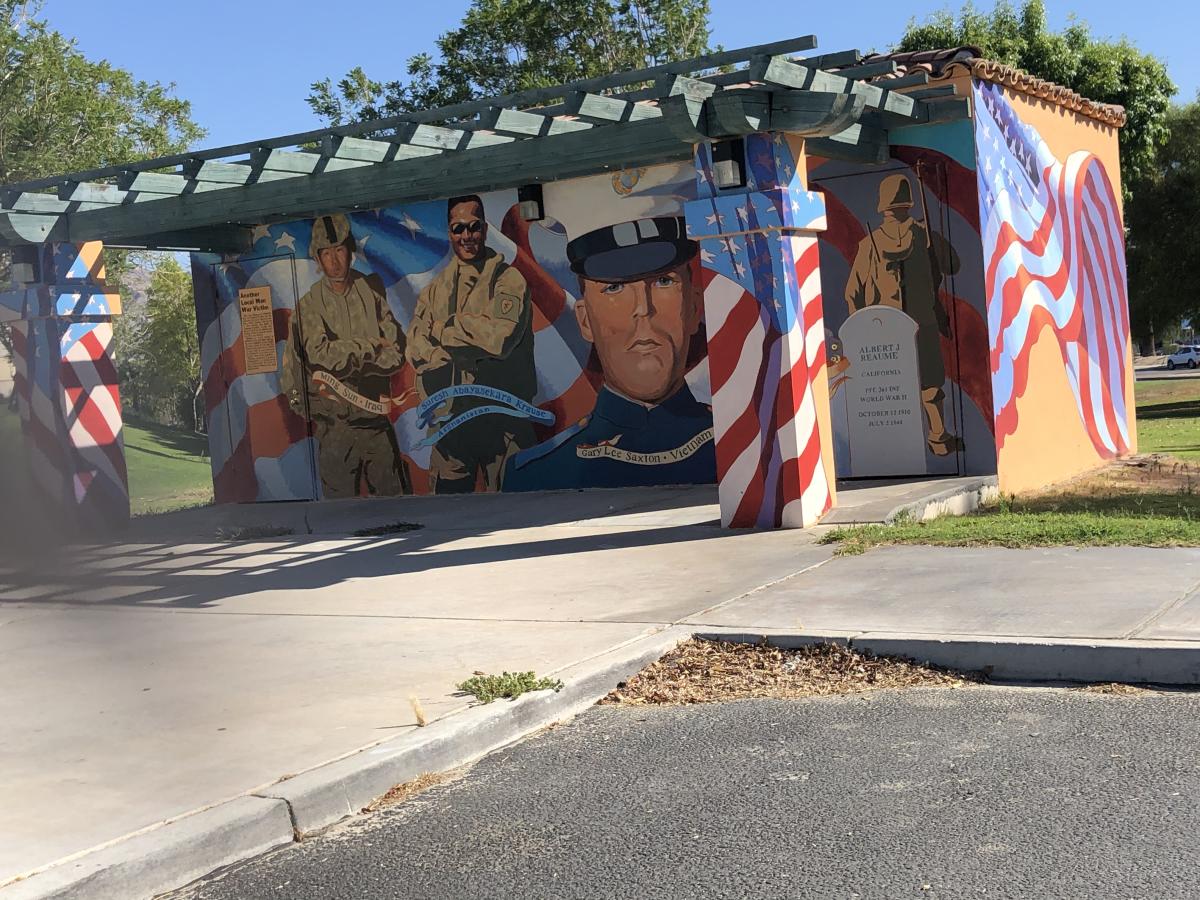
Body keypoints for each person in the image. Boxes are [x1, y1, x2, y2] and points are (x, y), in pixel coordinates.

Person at [504, 208, 715, 491]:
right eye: (615, 287)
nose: (643, 308)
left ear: (693, 308)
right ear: (585, 320)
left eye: (664, 281)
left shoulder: (745, 451)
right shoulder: (539, 473)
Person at [407, 195, 537, 493]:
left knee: (517, 514)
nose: (467, 236)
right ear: (449, 232)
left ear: (485, 228)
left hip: (503, 422)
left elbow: (499, 339)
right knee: (448, 516)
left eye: (474, 227)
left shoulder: (508, 280)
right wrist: (443, 351)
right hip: (450, 426)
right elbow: (415, 346)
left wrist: (443, 329)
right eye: (458, 228)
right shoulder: (434, 290)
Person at [284, 213, 411, 497]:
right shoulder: (309, 306)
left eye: (339, 250)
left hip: (376, 424)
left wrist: (347, 361)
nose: (334, 260)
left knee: (399, 509)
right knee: (341, 519)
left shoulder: (371, 292)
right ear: (317, 259)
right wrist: (369, 347)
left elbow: (396, 353)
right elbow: (320, 356)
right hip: (335, 428)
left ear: (350, 252)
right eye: (326, 253)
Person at [845, 173, 963, 456]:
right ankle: (937, 438)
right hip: (923, 323)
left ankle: (895, 445)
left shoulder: (869, 244)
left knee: (890, 386)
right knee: (931, 383)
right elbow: (953, 266)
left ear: (883, 207)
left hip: (885, 330)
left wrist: (862, 334)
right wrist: (935, 243)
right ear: (907, 203)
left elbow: (853, 294)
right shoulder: (925, 237)